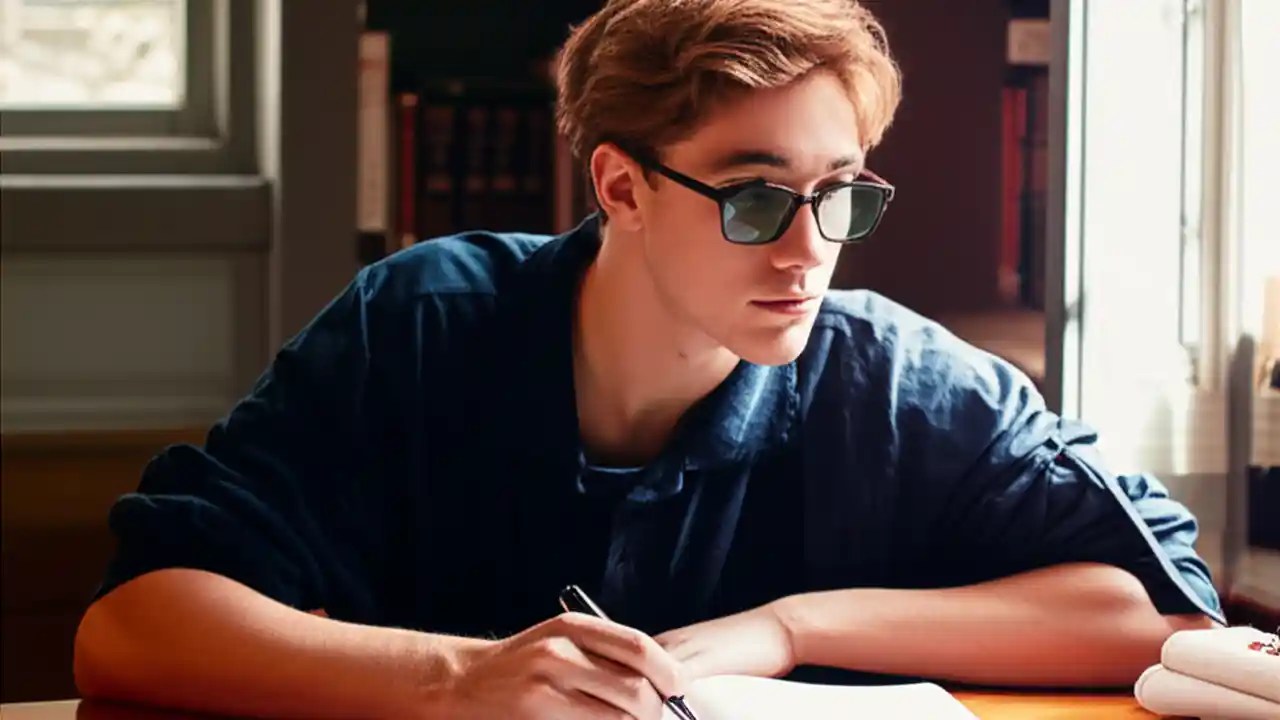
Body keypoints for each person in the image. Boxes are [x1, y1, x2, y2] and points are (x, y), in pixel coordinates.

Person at [73, 0, 1224, 718]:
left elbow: (1162, 616)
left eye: (838, 195)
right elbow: (134, 625)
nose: (807, 252)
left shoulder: (898, 382)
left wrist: (794, 626)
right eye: (754, 198)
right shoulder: (421, 324)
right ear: (620, 185)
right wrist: (458, 681)